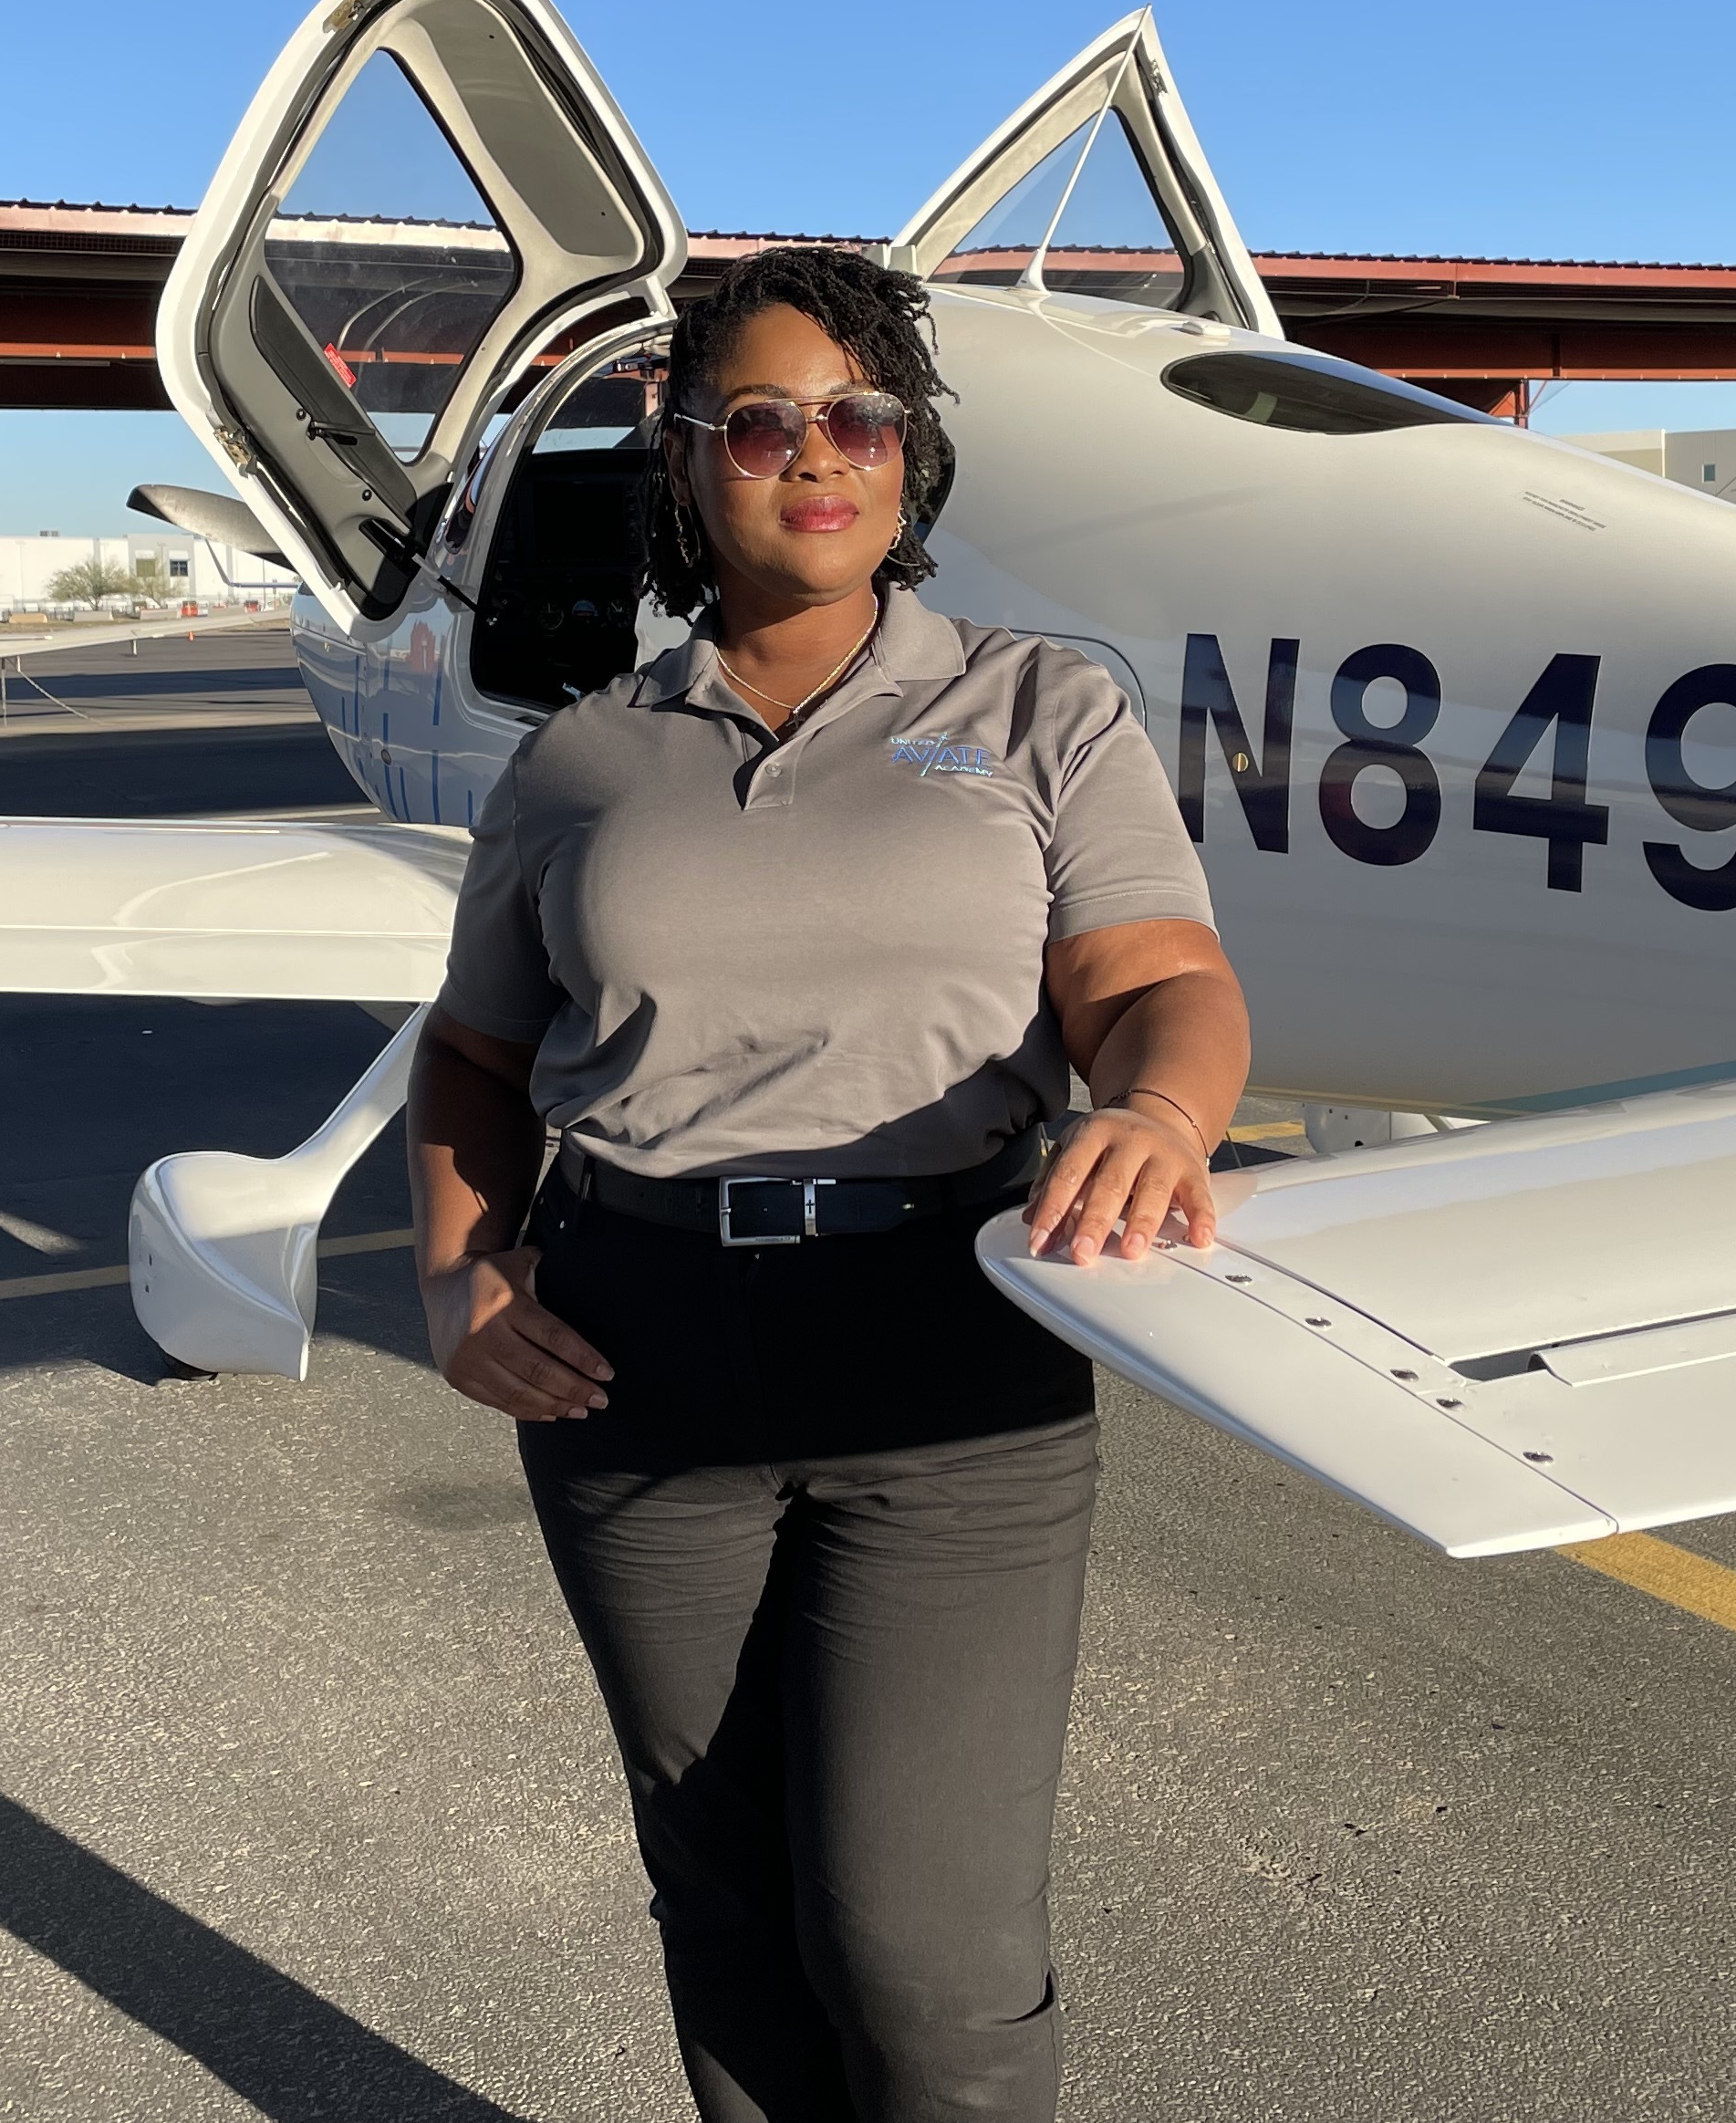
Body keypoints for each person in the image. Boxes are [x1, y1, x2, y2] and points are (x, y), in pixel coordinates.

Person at [409, 245, 1250, 2123]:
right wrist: (458, 1275)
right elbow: (472, 1053)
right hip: (631, 1356)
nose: (817, 452)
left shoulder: (1039, 707)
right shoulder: (579, 759)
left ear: (908, 453)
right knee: (722, 1889)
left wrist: (1158, 1114)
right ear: (684, 454)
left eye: (861, 417)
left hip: (944, 1349)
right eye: (761, 420)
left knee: (922, 1941)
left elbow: (1157, 984)